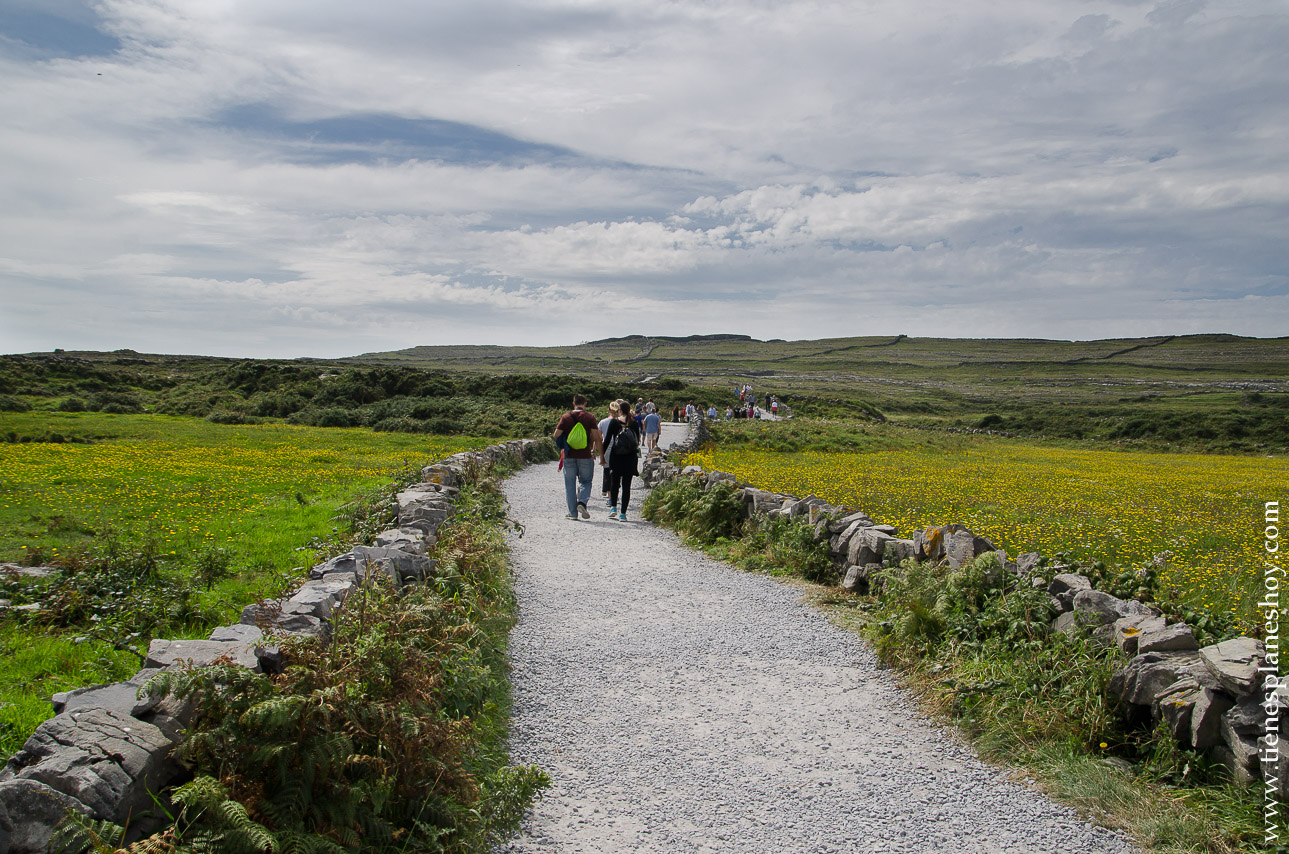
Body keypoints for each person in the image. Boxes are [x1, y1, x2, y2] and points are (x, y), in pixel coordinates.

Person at [553, 394, 603, 520]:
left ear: (573, 403)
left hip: (569, 455)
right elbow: (597, 438)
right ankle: (582, 502)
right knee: (586, 481)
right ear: (585, 403)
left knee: (570, 484)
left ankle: (572, 513)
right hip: (585, 455)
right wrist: (601, 456)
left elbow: (556, 435)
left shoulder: (566, 417)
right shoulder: (590, 417)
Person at [601, 400, 641, 521]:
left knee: (615, 482)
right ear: (629, 410)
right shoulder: (633, 423)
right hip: (630, 458)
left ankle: (613, 507)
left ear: (619, 410)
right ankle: (623, 513)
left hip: (616, 456)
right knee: (626, 486)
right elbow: (637, 441)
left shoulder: (614, 422)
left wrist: (602, 456)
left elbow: (607, 440)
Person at [598, 400, 620, 506]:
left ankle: (610, 496)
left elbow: (598, 438)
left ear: (608, 410)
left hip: (607, 447)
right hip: (619, 448)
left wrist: (597, 451)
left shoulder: (603, 422)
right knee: (617, 472)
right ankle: (616, 495)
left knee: (607, 471)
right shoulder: (622, 421)